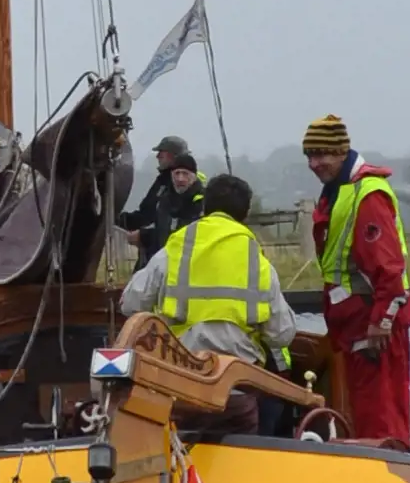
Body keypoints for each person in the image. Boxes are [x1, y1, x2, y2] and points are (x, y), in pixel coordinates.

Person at [118, 170, 307, 370]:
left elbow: (130, 304)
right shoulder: (258, 262)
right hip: (241, 374)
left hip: (181, 370)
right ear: (245, 214)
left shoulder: (175, 248)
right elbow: (282, 334)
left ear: (205, 207)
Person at [302, 112, 410, 443]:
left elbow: (389, 269)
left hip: (373, 329)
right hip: (353, 327)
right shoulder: (338, 192)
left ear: (341, 152)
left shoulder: (367, 195)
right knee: (363, 414)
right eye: (309, 156)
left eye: (321, 155)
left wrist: (381, 322)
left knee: (380, 419)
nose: (314, 164)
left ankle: (387, 465)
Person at [122, 133, 206, 261]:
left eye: (161, 153)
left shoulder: (199, 199)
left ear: (172, 156)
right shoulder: (165, 190)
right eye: (177, 173)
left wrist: (143, 236)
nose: (157, 156)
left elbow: (175, 230)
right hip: (158, 257)